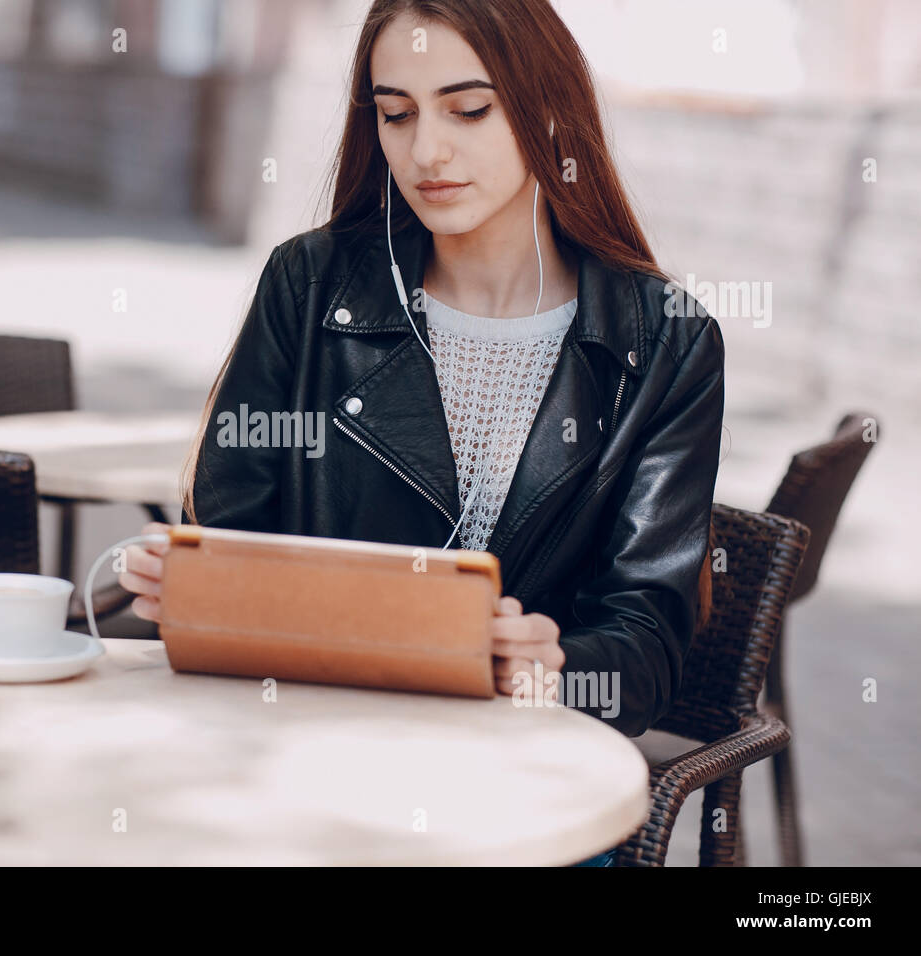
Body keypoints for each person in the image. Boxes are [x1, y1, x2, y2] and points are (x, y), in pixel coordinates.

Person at [118, 0, 724, 868]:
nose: (426, 151)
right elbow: (232, 538)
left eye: (468, 109)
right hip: (299, 758)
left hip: (523, 785)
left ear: (548, 109)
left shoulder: (666, 339)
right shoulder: (309, 282)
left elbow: (648, 637)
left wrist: (555, 664)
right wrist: (192, 587)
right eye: (396, 114)